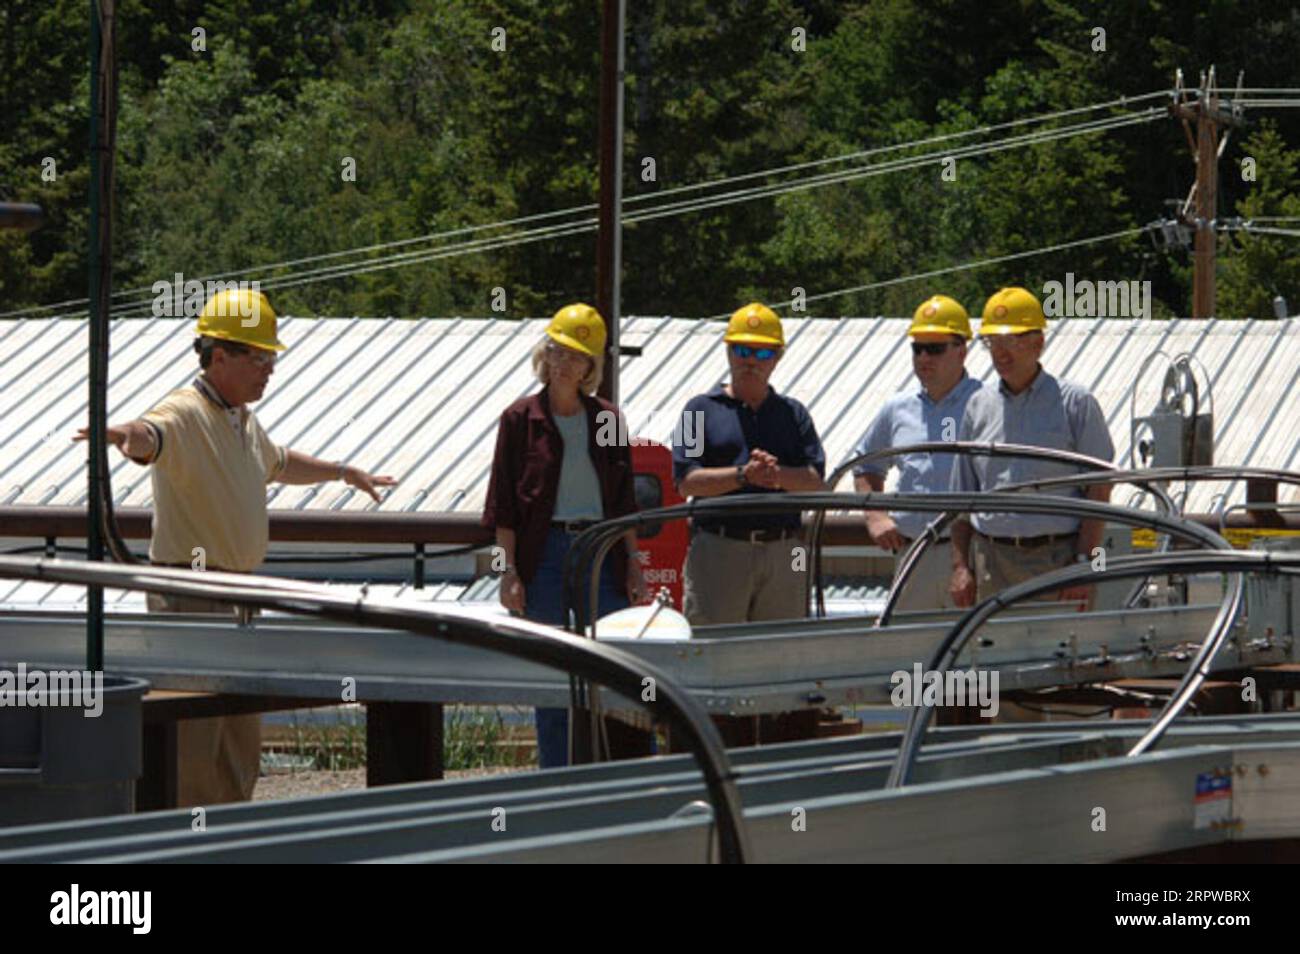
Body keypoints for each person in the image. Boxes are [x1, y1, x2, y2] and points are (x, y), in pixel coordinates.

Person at [77, 287, 396, 805]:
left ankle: (227, 846)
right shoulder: (185, 411)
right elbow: (150, 436)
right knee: (193, 746)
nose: (268, 368)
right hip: (192, 597)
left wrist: (341, 472)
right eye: (259, 357)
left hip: (239, 597)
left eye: (270, 358)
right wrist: (124, 436)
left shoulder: (241, 419)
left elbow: (279, 462)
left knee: (238, 741)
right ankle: (187, 848)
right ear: (219, 355)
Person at [482, 303, 649, 768]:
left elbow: (624, 503)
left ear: (590, 366)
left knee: (616, 667)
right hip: (545, 558)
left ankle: (622, 776)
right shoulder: (518, 419)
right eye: (556, 350)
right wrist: (507, 572)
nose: (562, 362)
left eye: (575, 355)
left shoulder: (609, 419)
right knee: (553, 676)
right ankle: (556, 780)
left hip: (604, 552)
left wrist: (635, 565)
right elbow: (502, 508)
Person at [672, 303, 825, 745]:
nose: (749, 361)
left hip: (783, 551)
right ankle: (717, 771)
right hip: (720, 549)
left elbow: (815, 480)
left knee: (779, 662)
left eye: (760, 353)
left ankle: (776, 773)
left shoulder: (793, 414)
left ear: (778, 356)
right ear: (727, 352)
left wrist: (776, 477)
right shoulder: (698, 409)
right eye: (741, 349)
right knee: (714, 662)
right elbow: (683, 481)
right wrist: (744, 476)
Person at [948, 286, 1115, 609]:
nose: (1000, 353)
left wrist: (1086, 565)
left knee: (1063, 656)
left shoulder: (1076, 404)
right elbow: (961, 499)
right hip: (990, 564)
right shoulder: (976, 407)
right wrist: (960, 567)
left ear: (1039, 343)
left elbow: (1101, 491)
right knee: (994, 658)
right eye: (992, 342)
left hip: (1059, 563)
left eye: (1012, 341)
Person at [852, 295, 982, 611]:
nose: (924, 357)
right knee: (910, 652)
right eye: (917, 348)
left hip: (972, 558)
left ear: (962, 350)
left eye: (935, 348)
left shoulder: (986, 404)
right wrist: (876, 516)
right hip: (913, 555)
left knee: (973, 653)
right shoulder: (897, 409)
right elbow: (865, 466)